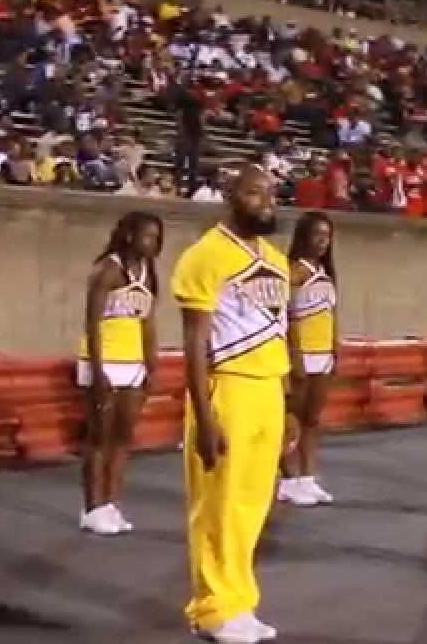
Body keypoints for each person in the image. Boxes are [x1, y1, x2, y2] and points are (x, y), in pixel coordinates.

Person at [172, 165, 289, 643]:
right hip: (227, 385)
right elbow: (195, 344)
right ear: (230, 196)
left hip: (268, 388)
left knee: (251, 505)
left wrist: (289, 402)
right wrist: (203, 415)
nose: (265, 201)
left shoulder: (278, 261)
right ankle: (212, 607)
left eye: (270, 193)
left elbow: (282, 332)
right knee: (216, 504)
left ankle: (240, 599)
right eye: (253, 192)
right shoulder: (205, 256)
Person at [77, 212, 164, 535]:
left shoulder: (149, 274)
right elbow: (92, 323)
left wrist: (151, 365)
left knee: (123, 438)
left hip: (133, 364)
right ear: (129, 236)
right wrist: (97, 371)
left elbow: (148, 324)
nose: (152, 243)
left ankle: (111, 503)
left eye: (156, 238)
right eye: (147, 236)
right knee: (99, 438)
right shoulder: (109, 271)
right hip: (106, 362)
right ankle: (92, 506)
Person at [277, 211, 339, 507]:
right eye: (317, 235)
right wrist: (295, 356)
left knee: (313, 419)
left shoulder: (326, 273)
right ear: (303, 237)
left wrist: (335, 346)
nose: (322, 242)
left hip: (323, 355)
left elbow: (331, 315)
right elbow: (285, 317)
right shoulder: (294, 271)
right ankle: (287, 479)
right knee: (291, 418)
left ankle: (308, 477)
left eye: (327, 236)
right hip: (301, 355)